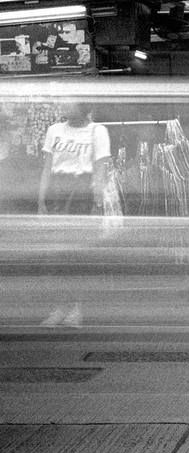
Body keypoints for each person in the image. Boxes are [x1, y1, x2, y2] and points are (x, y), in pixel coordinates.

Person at [37, 102, 111, 328]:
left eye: (70, 104)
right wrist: (41, 200)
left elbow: (100, 169)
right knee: (56, 258)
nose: (64, 108)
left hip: (81, 196)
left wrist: (97, 203)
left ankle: (75, 308)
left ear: (83, 108)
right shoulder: (54, 130)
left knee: (77, 258)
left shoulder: (97, 132)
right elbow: (47, 167)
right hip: (58, 195)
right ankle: (60, 307)